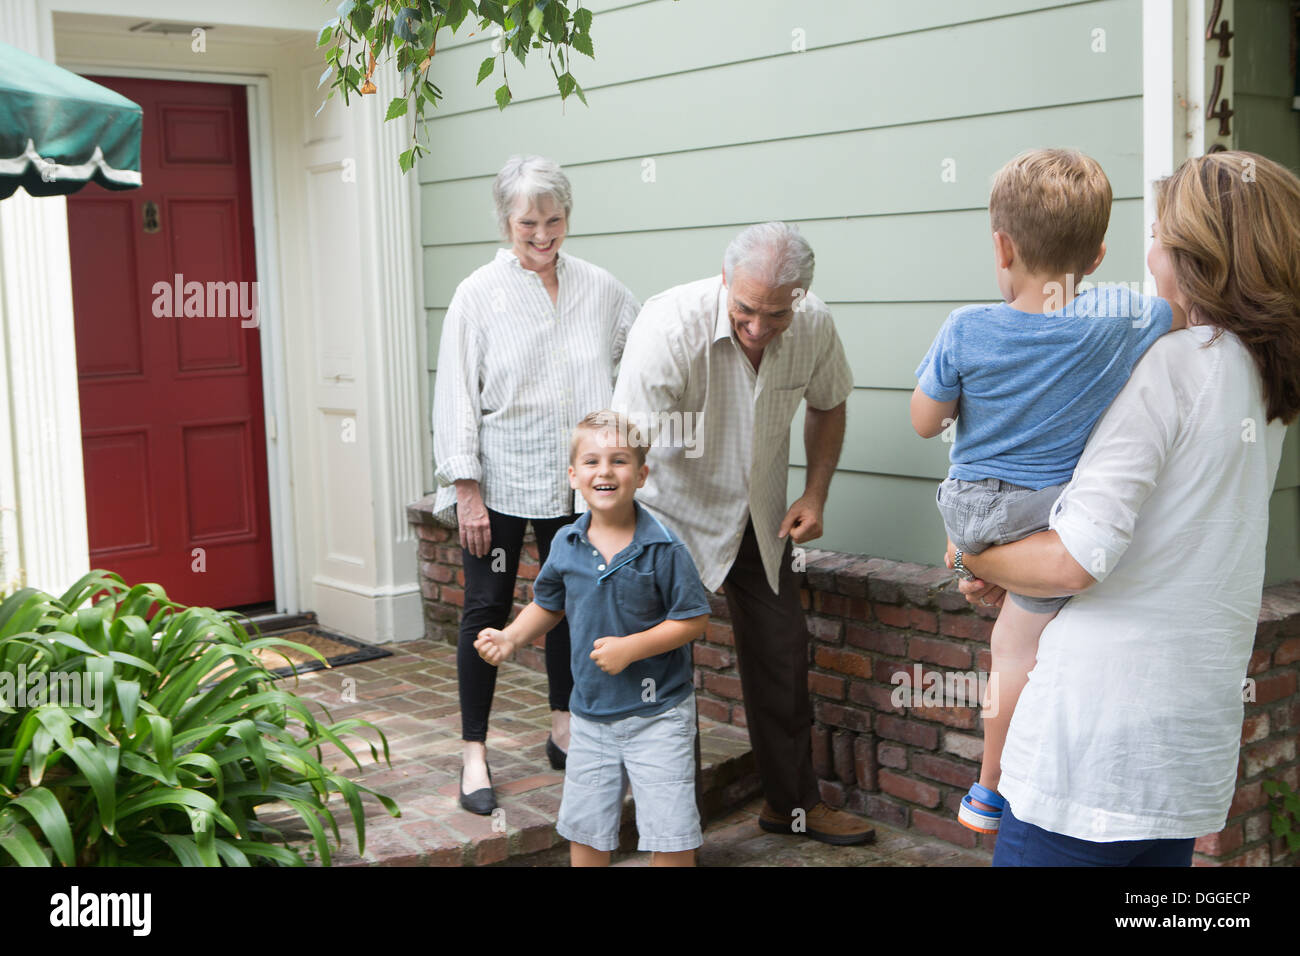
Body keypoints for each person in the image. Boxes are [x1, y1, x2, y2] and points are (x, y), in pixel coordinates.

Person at [948, 150, 1300, 865]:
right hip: (1182, 754)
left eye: (1163, 235)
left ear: (1199, 257)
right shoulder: (1264, 381)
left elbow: (1076, 560)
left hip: (1089, 757)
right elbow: (1162, 539)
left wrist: (977, 550)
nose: (1150, 253)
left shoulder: (1174, 366)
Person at [910, 148, 1187, 834]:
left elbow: (924, 423)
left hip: (976, 508)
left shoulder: (967, 327)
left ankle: (985, 785)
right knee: (1020, 640)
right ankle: (989, 786)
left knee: (1000, 627)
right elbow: (1178, 317)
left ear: (1001, 246)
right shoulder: (1123, 316)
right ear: (1095, 256)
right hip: (1054, 514)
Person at [611, 221, 873, 845]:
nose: (759, 328)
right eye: (746, 310)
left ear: (801, 297)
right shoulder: (669, 325)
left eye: (776, 314)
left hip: (761, 518)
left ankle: (792, 806)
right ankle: (672, 834)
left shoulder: (812, 324)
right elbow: (624, 445)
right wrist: (611, 551)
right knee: (664, 681)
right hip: (668, 518)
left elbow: (829, 401)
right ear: (726, 279)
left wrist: (815, 492)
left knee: (784, 660)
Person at [431, 156, 639, 814]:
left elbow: (645, 352)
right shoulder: (477, 294)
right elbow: (455, 395)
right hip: (499, 481)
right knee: (486, 614)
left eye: (554, 220)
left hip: (580, 488)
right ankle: (473, 753)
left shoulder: (601, 288)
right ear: (505, 222)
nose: (542, 234)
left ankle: (563, 726)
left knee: (573, 605)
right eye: (528, 223)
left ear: (568, 218)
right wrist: (465, 486)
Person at [475, 411, 711, 866]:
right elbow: (549, 603)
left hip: (658, 714)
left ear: (641, 474)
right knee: (587, 829)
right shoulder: (566, 543)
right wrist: (510, 638)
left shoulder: (663, 547)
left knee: (671, 832)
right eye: (591, 461)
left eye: (619, 460)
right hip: (590, 717)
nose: (604, 471)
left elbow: (693, 620)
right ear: (574, 476)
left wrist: (632, 648)